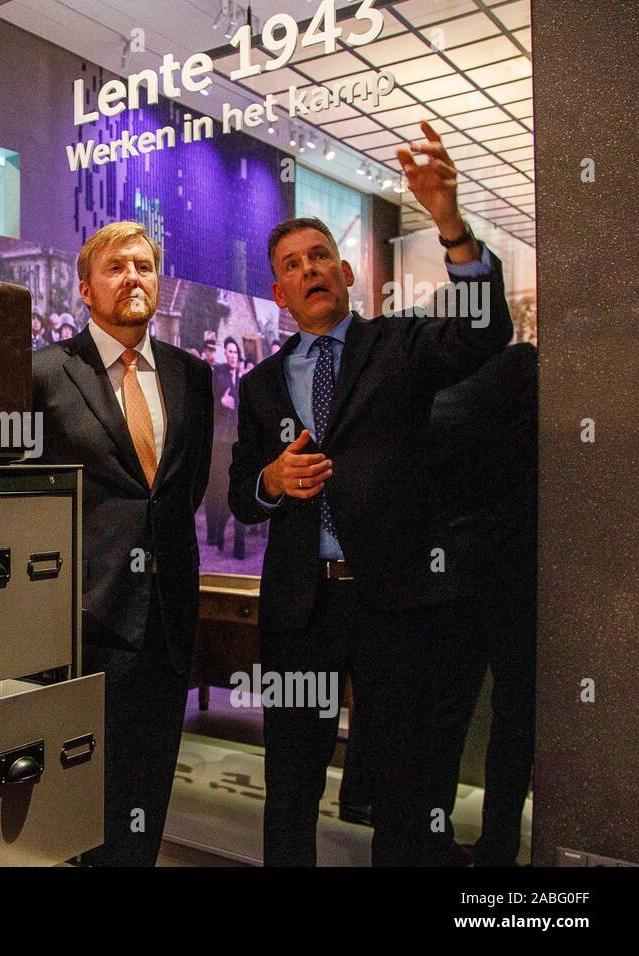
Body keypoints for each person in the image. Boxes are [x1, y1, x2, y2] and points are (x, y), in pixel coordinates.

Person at [227, 120, 512, 866]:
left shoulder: (400, 345)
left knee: (407, 786)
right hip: (299, 610)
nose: (311, 268)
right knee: (289, 784)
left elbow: (485, 332)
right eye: (293, 263)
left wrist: (449, 223)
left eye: (322, 255)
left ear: (347, 274)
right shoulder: (257, 387)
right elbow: (238, 495)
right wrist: (270, 480)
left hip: (394, 604)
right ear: (280, 291)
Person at [33, 220, 213, 866]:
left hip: (165, 629)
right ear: (84, 288)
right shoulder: (45, 375)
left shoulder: (193, 376)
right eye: (116, 267)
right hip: (82, 627)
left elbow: (180, 496)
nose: (133, 277)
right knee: (71, 811)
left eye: (143, 265)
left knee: (143, 813)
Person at [427, 341, 538, 866]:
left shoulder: (435, 387)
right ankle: (498, 849)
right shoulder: (520, 368)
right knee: (514, 718)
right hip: (519, 570)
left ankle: (433, 840)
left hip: (453, 572)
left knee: (446, 717)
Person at [207, 337, 245, 559]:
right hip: (220, 442)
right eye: (230, 352)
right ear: (225, 354)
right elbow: (209, 402)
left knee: (233, 488)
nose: (233, 355)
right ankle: (215, 533)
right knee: (218, 489)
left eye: (235, 353)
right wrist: (220, 403)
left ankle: (225, 534)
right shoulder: (218, 375)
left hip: (236, 442)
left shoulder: (240, 379)